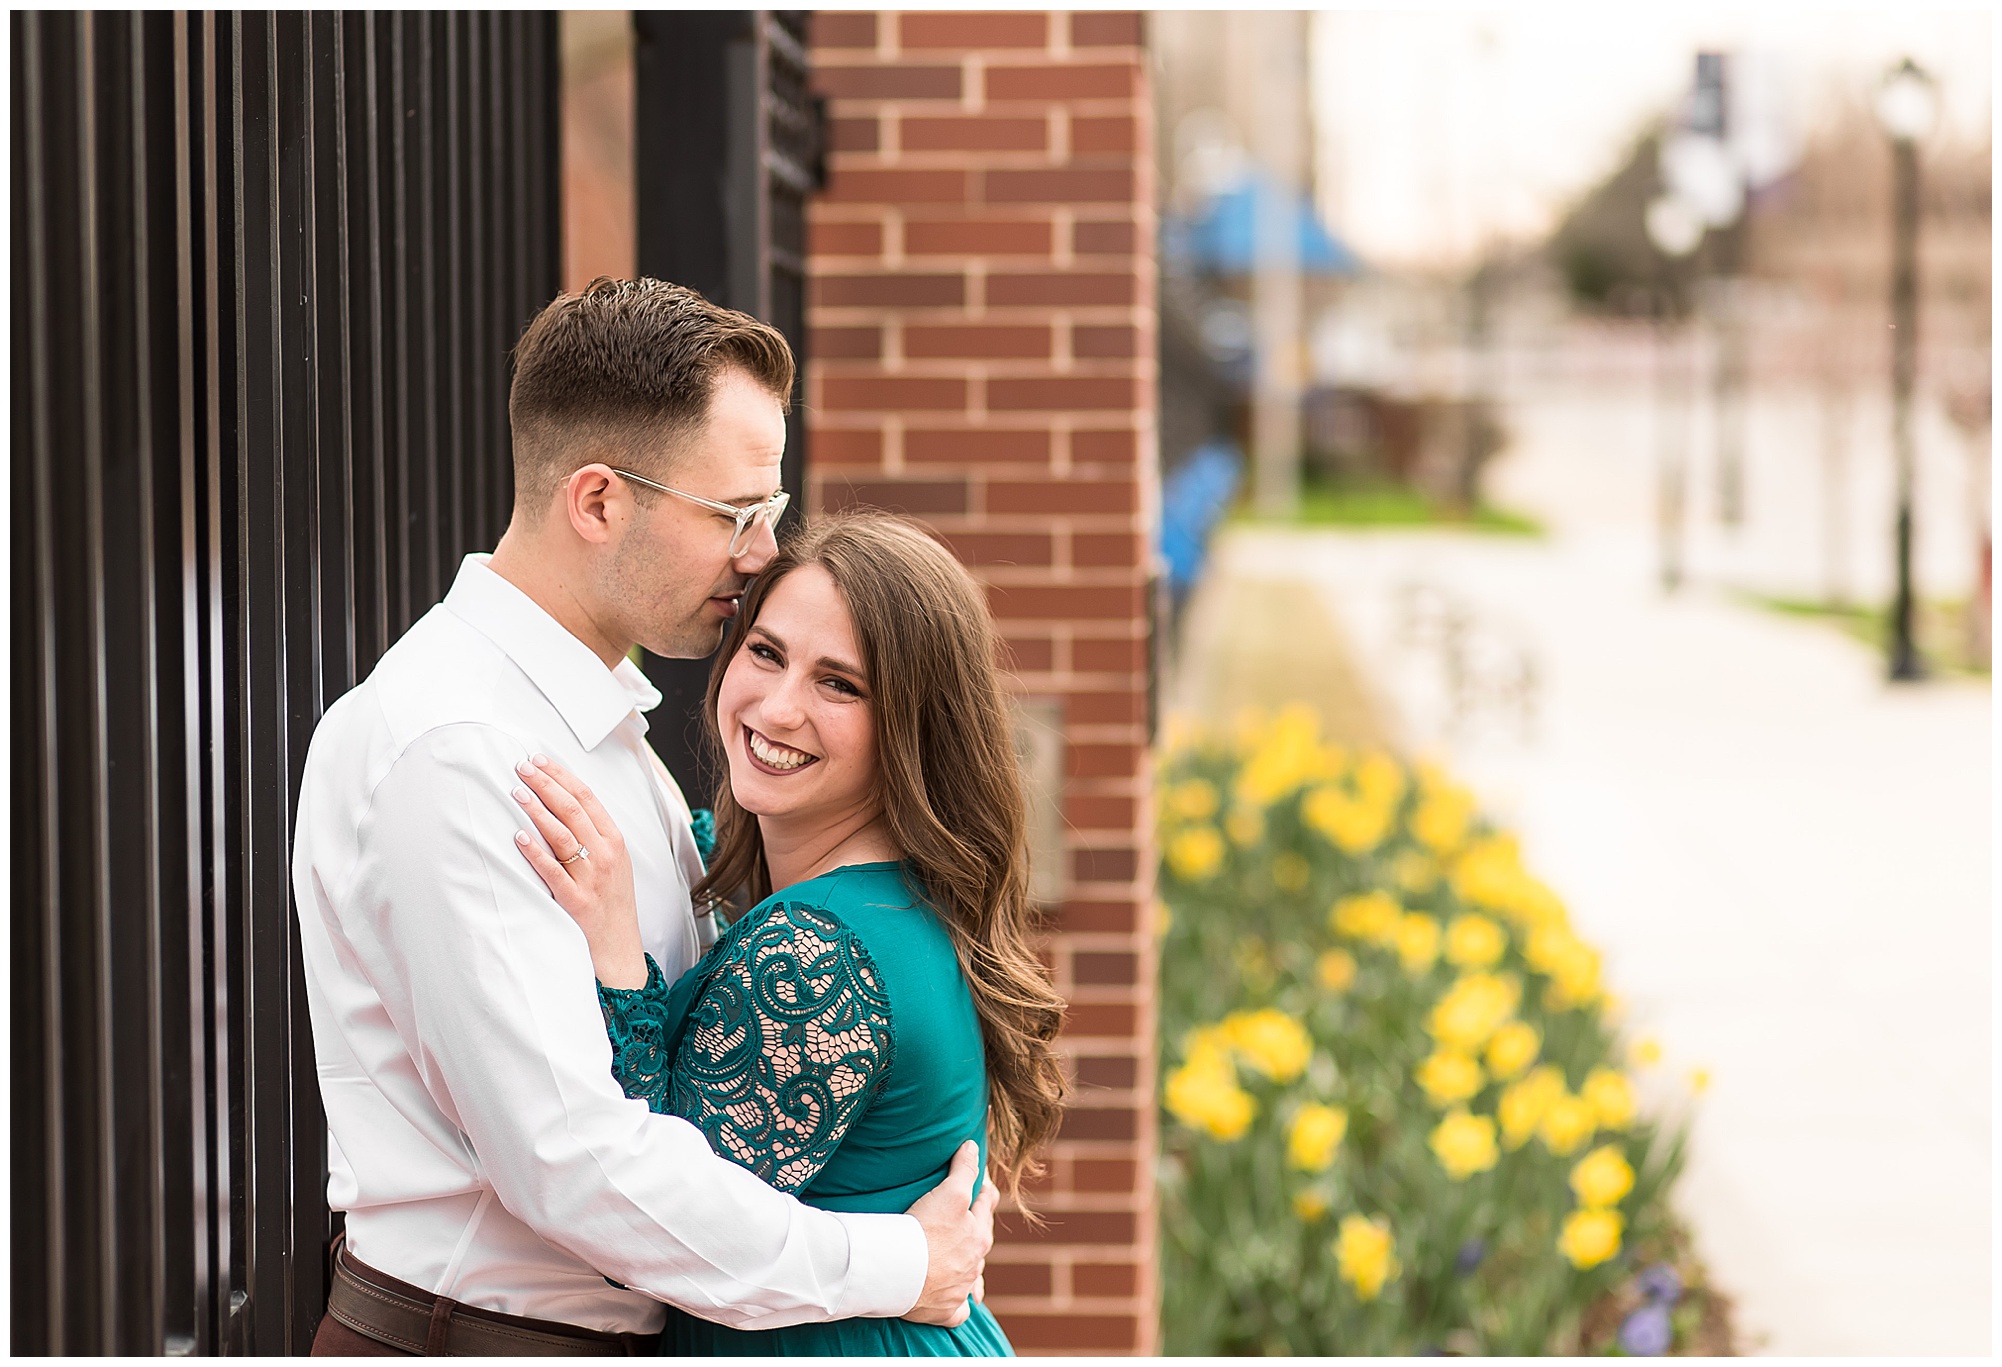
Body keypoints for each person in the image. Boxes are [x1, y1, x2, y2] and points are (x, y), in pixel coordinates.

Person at [292, 279, 995, 1356]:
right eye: (736, 513)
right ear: (600, 501)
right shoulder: (458, 748)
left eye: (769, 512)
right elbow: (571, 1159)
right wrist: (900, 1260)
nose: (762, 553)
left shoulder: (597, 728)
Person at [508, 511, 1067, 1355]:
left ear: (912, 729)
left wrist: (620, 960)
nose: (777, 705)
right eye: (765, 652)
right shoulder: (878, 897)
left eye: (838, 684)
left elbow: (655, 1222)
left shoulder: (817, 952)